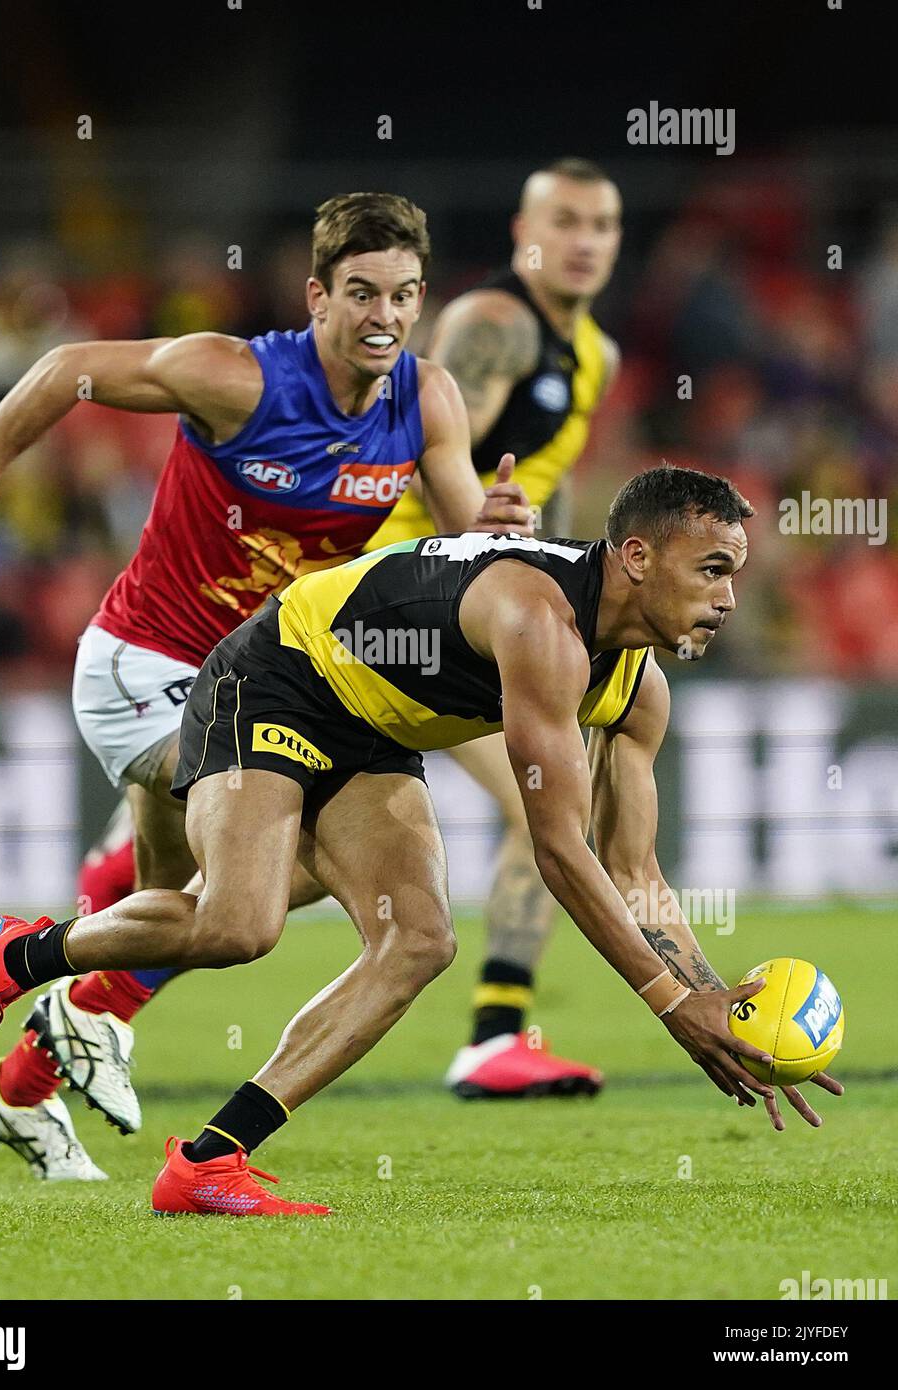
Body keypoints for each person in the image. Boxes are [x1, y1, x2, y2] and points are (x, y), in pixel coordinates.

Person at [0, 466, 843, 1215]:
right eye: (713, 568)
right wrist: (666, 1002)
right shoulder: (541, 621)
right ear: (637, 556)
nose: (728, 597)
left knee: (420, 938)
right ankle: (9, 954)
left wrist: (718, 1002)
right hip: (279, 671)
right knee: (236, 925)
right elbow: (562, 853)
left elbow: (636, 873)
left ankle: (208, 1161)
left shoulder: (638, 690)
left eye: (736, 574)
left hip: (372, 731)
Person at [0, 192, 531, 1180]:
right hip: (148, 666)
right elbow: (67, 369)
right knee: (237, 892)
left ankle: (30, 1070)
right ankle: (37, 980)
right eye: (361, 293)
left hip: (271, 678)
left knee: (200, 902)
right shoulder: (235, 375)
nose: (384, 316)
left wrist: (496, 532)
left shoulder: (428, 399)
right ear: (317, 296)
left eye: (405, 295)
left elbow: (462, 548)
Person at [368, 158, 623, 1097]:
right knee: (550, 801)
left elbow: (529, 489)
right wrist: (477, 523)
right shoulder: (493, 327)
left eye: (602, 223)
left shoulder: (597, 355)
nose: (585, 240)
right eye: (566, 220)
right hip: (399, 597)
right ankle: (493, 1035)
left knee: (270, 877)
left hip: (472, 602)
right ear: (525, 230)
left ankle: (496, 1035)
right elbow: (413, 456)